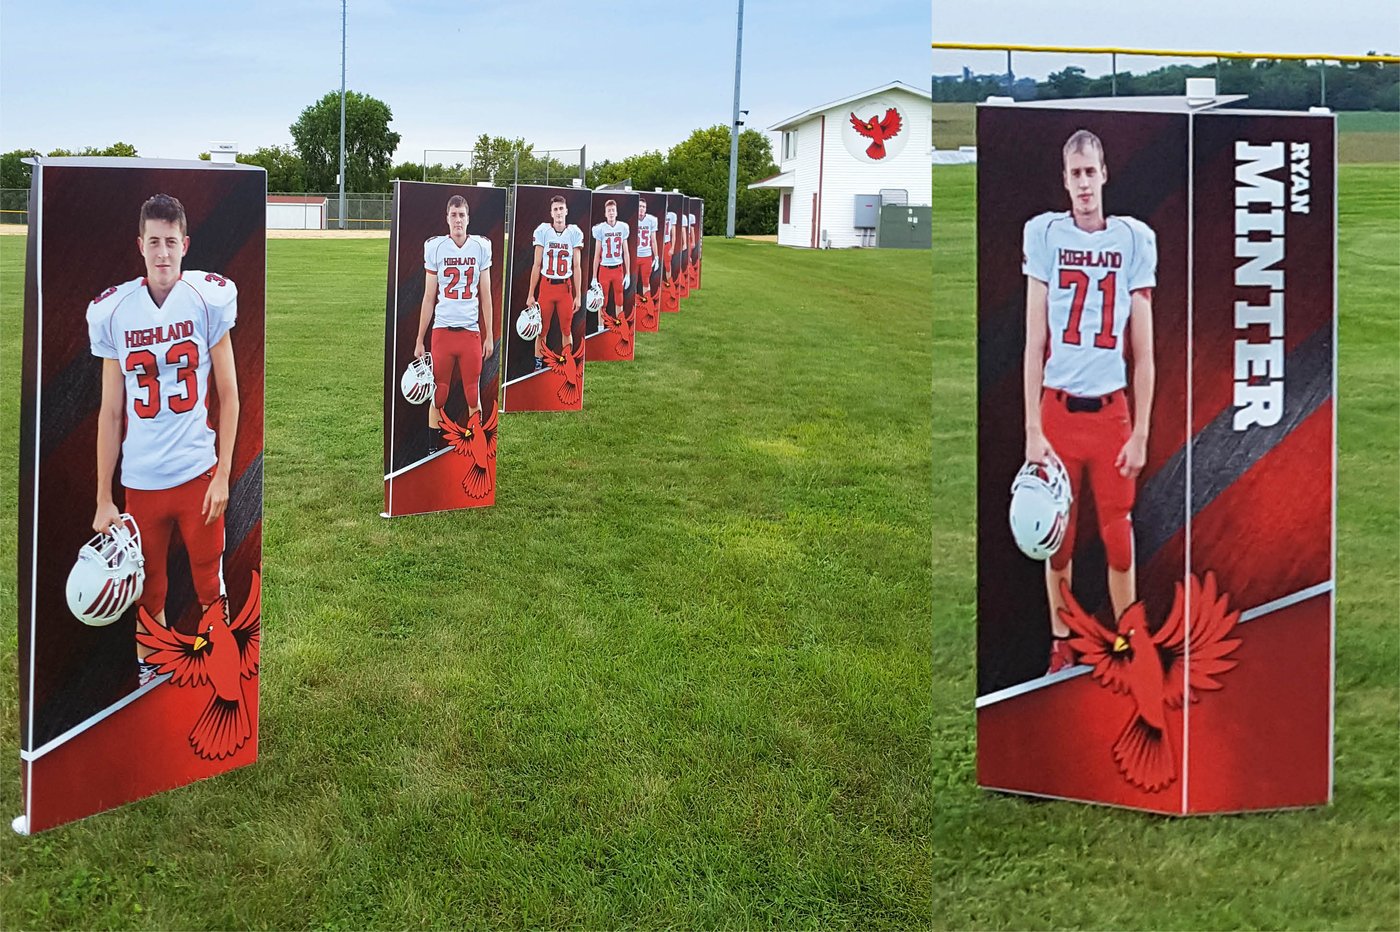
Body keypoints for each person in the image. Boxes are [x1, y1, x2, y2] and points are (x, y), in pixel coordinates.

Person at [87, 193, 239, 686]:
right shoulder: (115, 312)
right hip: (142, 482)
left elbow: (230, 396)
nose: (162, 253)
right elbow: (111, 413)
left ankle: (221, 670)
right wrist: (104, 497)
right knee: (148, 591)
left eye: (171, 242)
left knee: (208, 581)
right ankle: (152, 677)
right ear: (140, 245)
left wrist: (222, 475)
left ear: (185, 245)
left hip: (197, 473)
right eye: (154, 241)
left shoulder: (204, 299)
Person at [1022, 129, 1156, 674]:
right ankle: (1062, 644)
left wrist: (1142, 430)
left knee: (1118, 536)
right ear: (1065, 179)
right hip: (1058, 411)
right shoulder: (1045, 235)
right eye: (1073, 173)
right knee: (1059, 538)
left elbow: (1144, 353)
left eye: (1089, 172)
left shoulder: (1131, 239)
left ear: (1104, 174)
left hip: (1111, 413)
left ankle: (1128, 643)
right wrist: (1032, 427)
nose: (1082, 182)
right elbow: (1033, 344)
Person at [415, 194, 494, 454]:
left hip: (470, 332)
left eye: (462, 215)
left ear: (468, 218)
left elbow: (486, 296)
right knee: (439, 394)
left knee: (473, 394)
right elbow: (428, 297)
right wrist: (419, 339)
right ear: (446, 218)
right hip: (442, 332)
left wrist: (489, 334)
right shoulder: (436, 247)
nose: (458, 220)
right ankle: (431, 449)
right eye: (453, 215)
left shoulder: (480, 247)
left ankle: (478, 448)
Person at [526, 195, 584, 367]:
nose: (559, 212)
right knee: (541, 330)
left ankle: (568, 364)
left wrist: (578, 295)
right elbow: (536, 265)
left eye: (561, 209)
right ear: (551, 213)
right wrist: (531, 294)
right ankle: (538, 364)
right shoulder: (543, 231)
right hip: (547, 286)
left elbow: (577, 266)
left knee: (567, 329)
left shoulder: (574, 232)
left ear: (566, 211)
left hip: (565, 287)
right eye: (555, 209)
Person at [590, 198, 631, 325]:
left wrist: (628, 273)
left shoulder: (623, 227)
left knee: (619, 299)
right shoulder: (600, 229)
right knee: (602, 301)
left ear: (617, 212)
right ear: (605, 213)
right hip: (604, 269)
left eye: (613, 210)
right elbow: (597, 255)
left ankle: (620, 328)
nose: (611, 213)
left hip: (618, 268)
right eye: (609, 211)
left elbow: (626, 252)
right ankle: (600, 329)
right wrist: (594, 277)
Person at [635, 196, 659, 311]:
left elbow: (653, 239)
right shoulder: (632, 219)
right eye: (639, 206)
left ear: (646, 208)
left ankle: (646, 306)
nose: (641, 209)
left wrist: (657, 256)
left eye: (643, 206)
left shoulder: (651, 220)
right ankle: (633, 305)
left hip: (646, 255)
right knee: (633, 282)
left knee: (646, 281)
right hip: (635, 256)